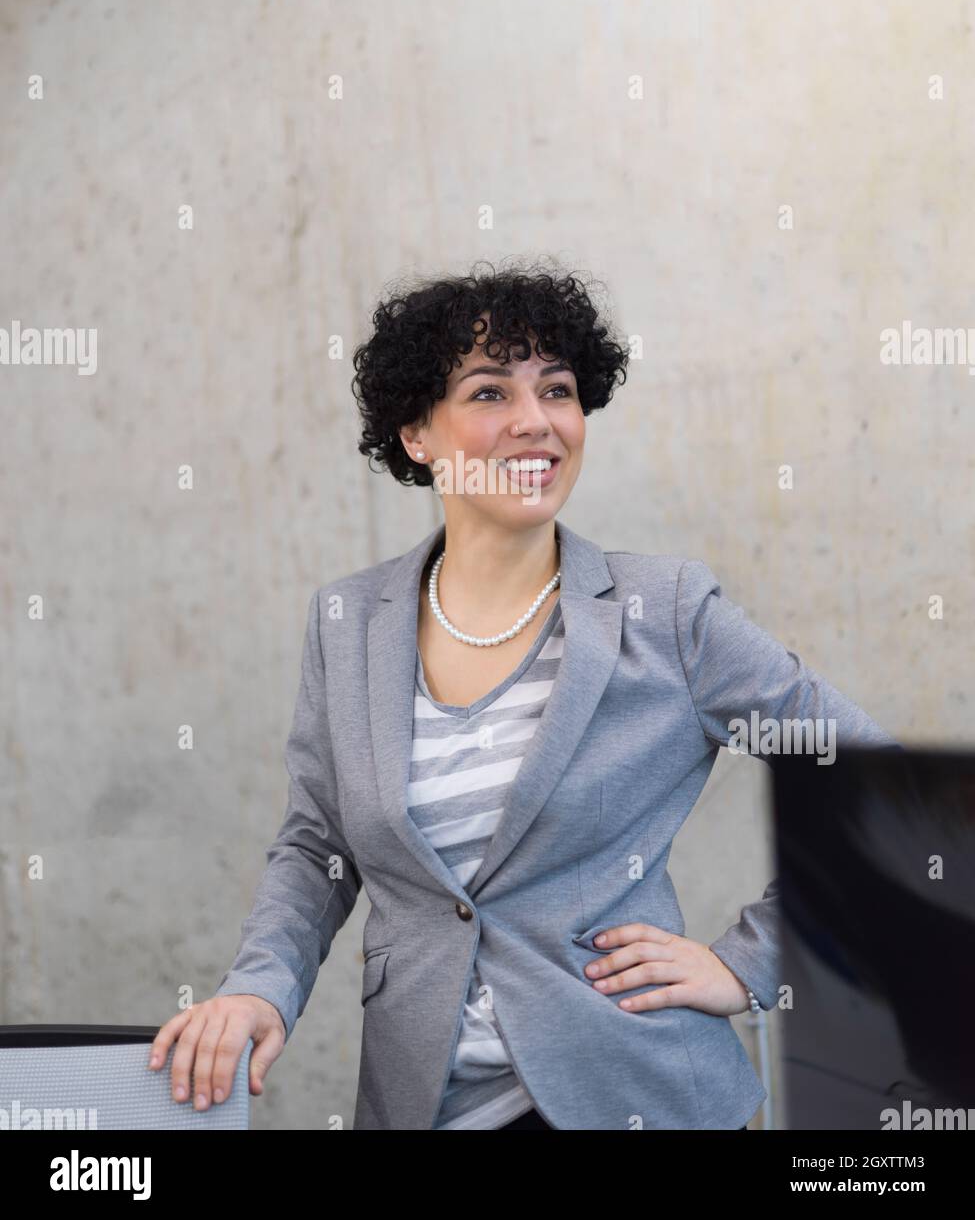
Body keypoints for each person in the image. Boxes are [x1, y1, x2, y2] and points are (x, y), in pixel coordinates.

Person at [148, 258, 896, 1128]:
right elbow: (319, 846)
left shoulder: (668, 614)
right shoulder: (347, 623)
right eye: (490, 393)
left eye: (558, 390)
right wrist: (258, 993)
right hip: (422, 1107)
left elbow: (877, 784)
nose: (536, 423)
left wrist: (749, 965)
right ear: (415, 433)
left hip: (634, 1097)